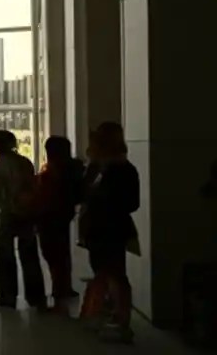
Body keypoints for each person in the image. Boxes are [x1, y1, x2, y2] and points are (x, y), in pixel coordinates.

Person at [78, 122, 139, 343]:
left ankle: (118, 318)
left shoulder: (121, 170)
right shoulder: (98, 169)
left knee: (113, 273)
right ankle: (108, 314)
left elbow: (131, 202)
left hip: (110, 228)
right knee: (105, 271)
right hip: (99, 228)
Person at [0, 129, 46, 310]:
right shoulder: (24, 162)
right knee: (29, 256)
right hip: (26, 212)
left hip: (7, 213)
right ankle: (36, 297)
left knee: (6, 257)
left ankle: (8, 295)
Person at [35, 136, 84, 302]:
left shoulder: (53, 172)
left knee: (51, 253)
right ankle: (65, 287)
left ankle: (59, 290)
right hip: (64, 214)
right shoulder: (74, 168)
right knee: (62, 252)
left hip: (48, 216)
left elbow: (44, 195)